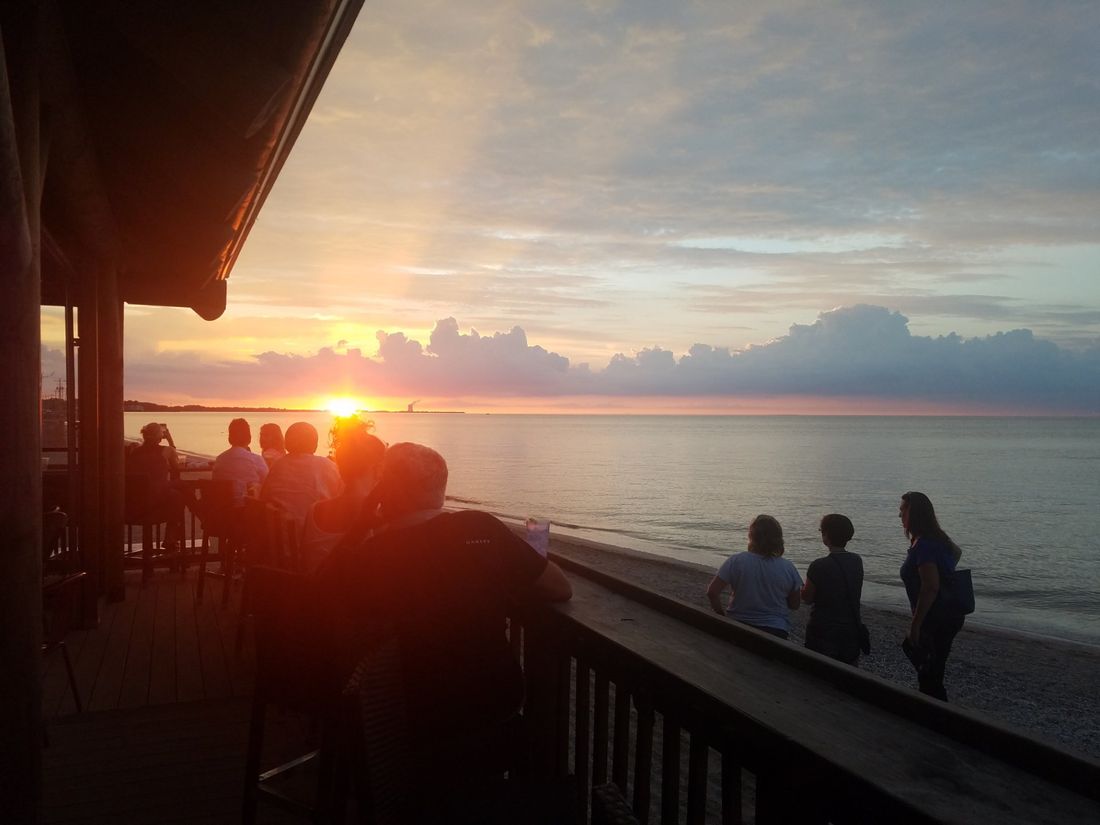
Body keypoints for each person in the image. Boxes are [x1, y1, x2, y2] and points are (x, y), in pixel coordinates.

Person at [315, 442, 572, 741]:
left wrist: (360, 525)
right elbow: (559, 587)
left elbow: (319, 590)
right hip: (495, 696)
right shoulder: (479, 527)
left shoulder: (374, 553)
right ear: (441, 487)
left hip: (411, 710)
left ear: (386, 490)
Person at [899, 491, 965, 701]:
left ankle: (935, 712)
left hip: (935, 615)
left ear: (914, 513)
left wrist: (916, 624)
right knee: (933, 668)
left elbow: (930, 587)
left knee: (929, 673)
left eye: (903, 510)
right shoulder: (937, 538)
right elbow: (957, 552)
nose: (899, 515)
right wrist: (945, 571)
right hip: (950, 613)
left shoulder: (924, 545)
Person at [299, 423, 386, 572]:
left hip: (312, 584)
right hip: (344, 586)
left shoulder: (314, 510)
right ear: (378, 468)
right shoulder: (372, 515)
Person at [706, 515, 802, 639]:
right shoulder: (788, 567)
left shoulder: (736, 560)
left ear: (751, 536)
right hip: (775, 630)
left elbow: (712, 592)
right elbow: (794, 605)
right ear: (778, 538)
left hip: (738, 625)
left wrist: (720, 615)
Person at [802, 514, 864, 664]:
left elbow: (807, 598)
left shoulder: (818, 565)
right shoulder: (856, 561)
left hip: (823, 628)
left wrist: (799, 588)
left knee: (818, 670)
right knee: (847, 671)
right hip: (851, 628)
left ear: (826, 535)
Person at [261, 421, 343, 531]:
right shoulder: (329, 466)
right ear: (314, 444)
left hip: (279, 536)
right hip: (314, 535)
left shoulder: (278, 465)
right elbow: (342, 500)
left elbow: (263, 497)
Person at [126, 422, 184, 547]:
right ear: (160, 436)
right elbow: (176, 465)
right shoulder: (166, 450)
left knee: (177, 492)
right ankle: (171, 538)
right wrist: (170, 440)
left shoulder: (135, 452)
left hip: (132, 505)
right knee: (179, 495)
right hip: (153, 504)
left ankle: (201, 516)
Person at [212, 418, 269, 505]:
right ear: (249, 437)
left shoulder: (220, 459)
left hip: (223, 508)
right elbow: (268, 484)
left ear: (230, 437)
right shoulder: (256, 459)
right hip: (249, 508)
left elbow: (215, 482)